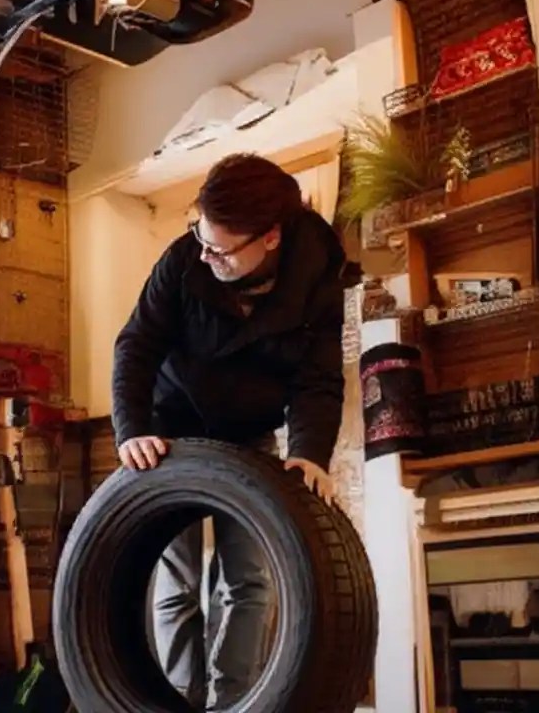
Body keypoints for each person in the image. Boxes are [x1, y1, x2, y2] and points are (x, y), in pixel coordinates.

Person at [110, 152, 347, 710]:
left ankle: (230, 701)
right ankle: (179, 701)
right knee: (178, 579)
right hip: (170, 433)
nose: (205, 252)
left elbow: (318, 379)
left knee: (249, 580)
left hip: (250, 438)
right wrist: (131, 430)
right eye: (201, 235)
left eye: (220, 248)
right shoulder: (183, 261)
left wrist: (311, 454)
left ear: (269, 239)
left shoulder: (317, 278)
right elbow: (136, 346)